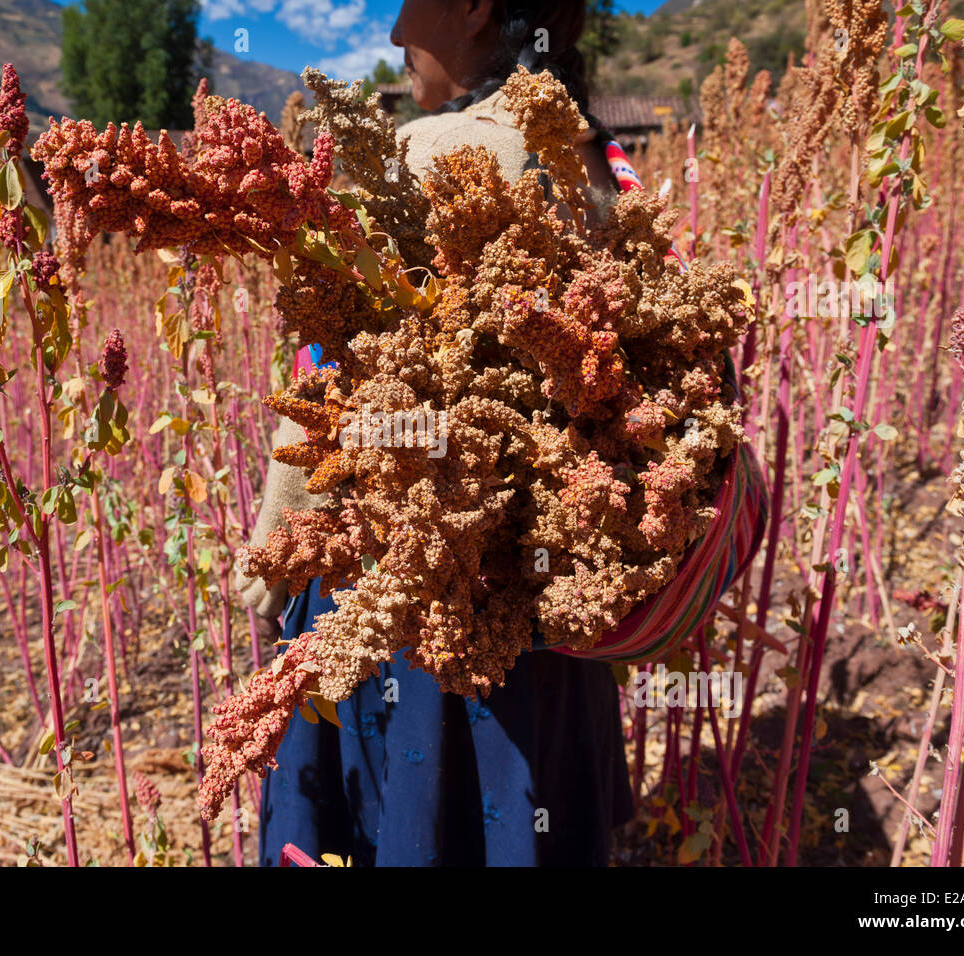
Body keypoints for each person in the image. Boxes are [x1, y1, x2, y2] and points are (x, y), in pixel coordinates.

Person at [234, 0, 747, 867]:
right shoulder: (597, 163)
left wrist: (278, 557)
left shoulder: (440, 150)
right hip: (550, 617)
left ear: (474, 8)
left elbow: (339, 381)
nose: (396, 34)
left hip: (420, 609)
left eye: (406, 6)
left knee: (413, 829)